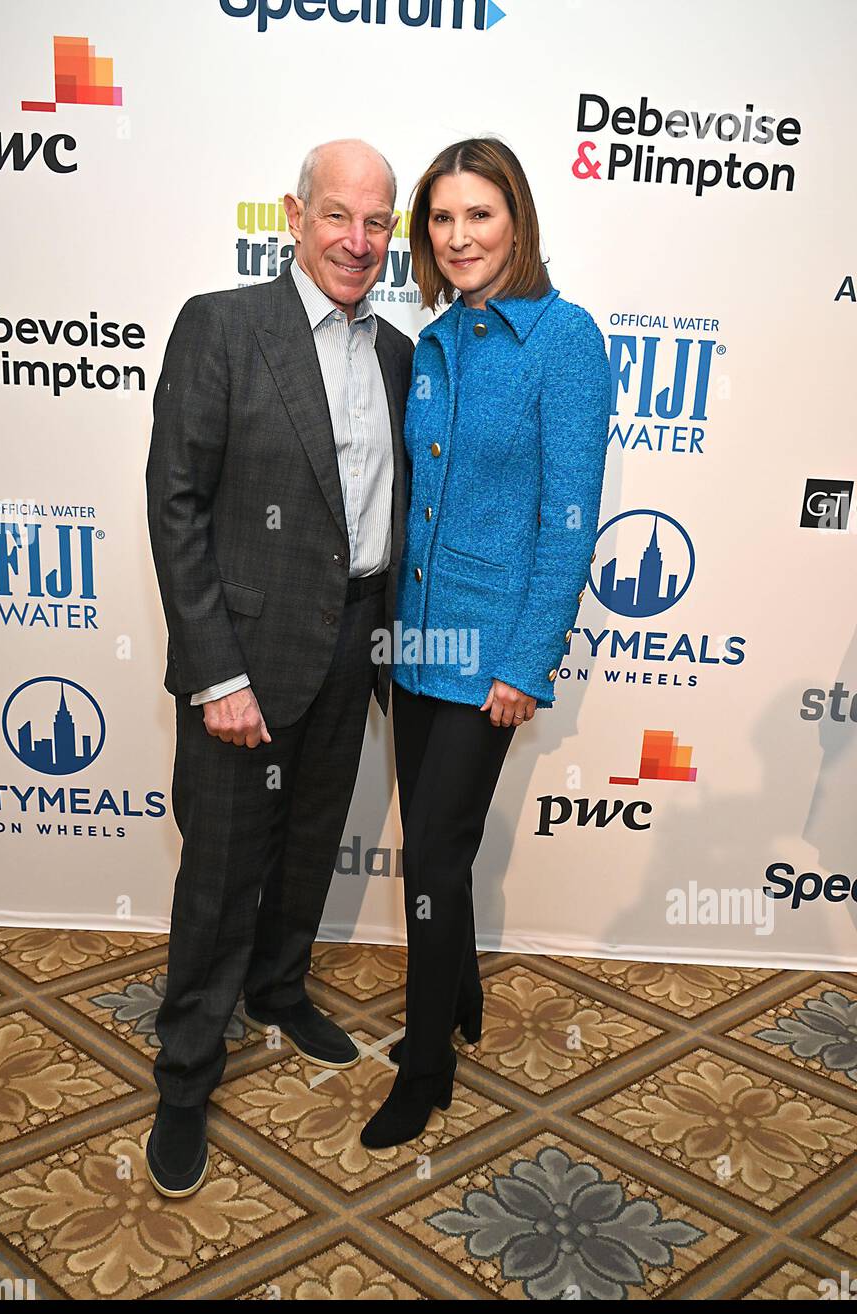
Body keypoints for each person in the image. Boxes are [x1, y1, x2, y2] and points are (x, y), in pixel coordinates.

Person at [145, 139, 413, 1197]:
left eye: (378, 222)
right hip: (246, 656)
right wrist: (217, 673)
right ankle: (183, 1075)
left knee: (310, 839)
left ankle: (280, 987)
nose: (358, 241)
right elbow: (176, 505)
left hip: (353, 638)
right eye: (339, 216)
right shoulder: (222, 325)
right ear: (295, 216)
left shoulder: (395, 351)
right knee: (218, 874)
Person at [360, 137, 611, 1149]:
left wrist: (527, 658)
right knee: (440, 847)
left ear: (519, 221)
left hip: (489, 652)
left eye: (480, 215)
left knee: (427, 860)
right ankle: (459, 992)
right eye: (442, 219)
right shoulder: (436, 341)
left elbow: (568, 514)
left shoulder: (564, 338)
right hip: (412, 644)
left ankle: (426, 1066)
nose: (459, 237)